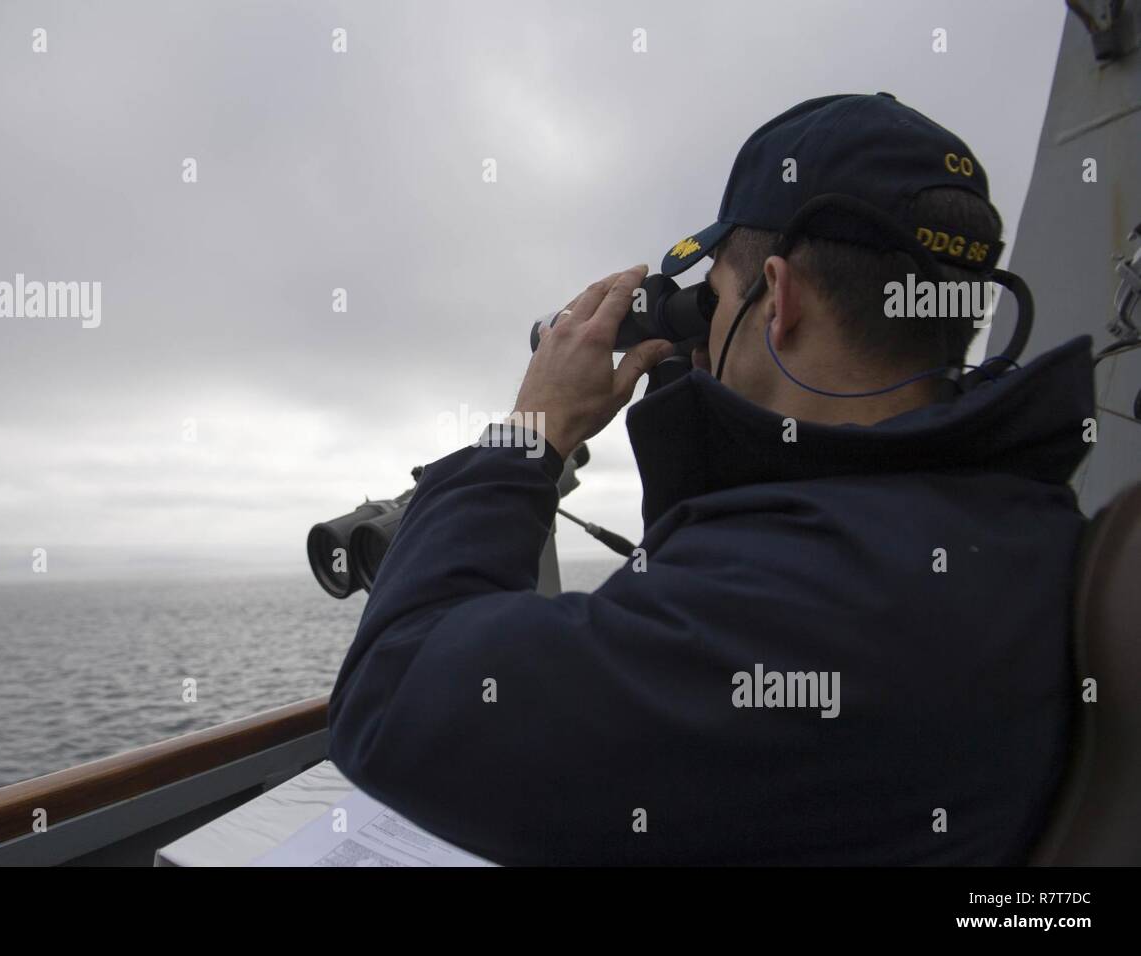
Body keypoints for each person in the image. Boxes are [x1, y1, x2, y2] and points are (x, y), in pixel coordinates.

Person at [326, 93, 1095, 865]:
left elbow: (393, 699)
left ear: (779, 298)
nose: (706, 327)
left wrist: (535, 430)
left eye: (717, 299)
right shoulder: (1024, 516)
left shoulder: (782, 609)